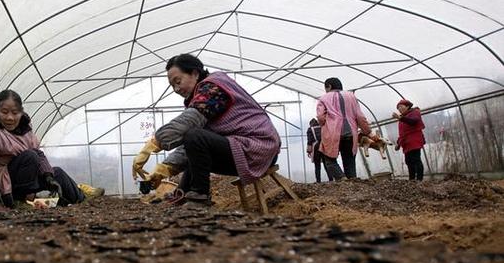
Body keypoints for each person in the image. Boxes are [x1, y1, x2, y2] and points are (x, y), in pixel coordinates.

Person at [132, 54, 281, 207]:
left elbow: (189, 126)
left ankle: (199, 197)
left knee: (194, 136)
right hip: (242, 149)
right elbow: (193, 146)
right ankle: (182, 195)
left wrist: (154, 143)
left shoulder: (213, 88)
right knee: (194, 144)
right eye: (172, 86)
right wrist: (165, 168)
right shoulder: (201, 97)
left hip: (258, 148)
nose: (176, 89)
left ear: (195, 73)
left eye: (178, 81)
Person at [0, 89, 99, 211]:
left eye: (15, 113)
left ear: (21, 112)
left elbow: (39, 155)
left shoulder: (24, 129)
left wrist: (48, 177)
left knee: (56, 173)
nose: (10, 118)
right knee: (30, 157)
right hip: (0, 185)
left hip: (21, 176)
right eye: (4, 112)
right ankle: (19, 200)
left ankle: (80, 197)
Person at [316, 77, 374, 180]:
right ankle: (353, 183)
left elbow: (320, 118)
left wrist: (326, 122)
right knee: (349, 161)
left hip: (332, 134)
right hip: (351, 134)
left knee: (329, 160)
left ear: (329, 86)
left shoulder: (323, 99)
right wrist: (368, 132)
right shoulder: (351, 96)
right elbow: (360, 116)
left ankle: (342, 179)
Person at [392, 98, 425, 180]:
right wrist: (398, 144)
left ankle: (419, 180)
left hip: (414, 141)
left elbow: (413, 121)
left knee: (416, 160)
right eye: (398, 108)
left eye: (401, 106)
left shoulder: (414, 112)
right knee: (409, 162)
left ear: (407, 106)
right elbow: (402, 134)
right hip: (407, 144)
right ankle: (412, 180)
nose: (399, 109)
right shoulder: (402, 119)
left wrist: (400, 118)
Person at [306, 118, 330, 183]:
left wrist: (309, 151)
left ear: (311, 124)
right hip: (324, 146)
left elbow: (309, 141)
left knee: (317, 165)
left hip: (316, 147)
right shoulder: (322, 127)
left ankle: (318, 181)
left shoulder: (310, 129)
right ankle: (331, 179)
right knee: (326, 163)